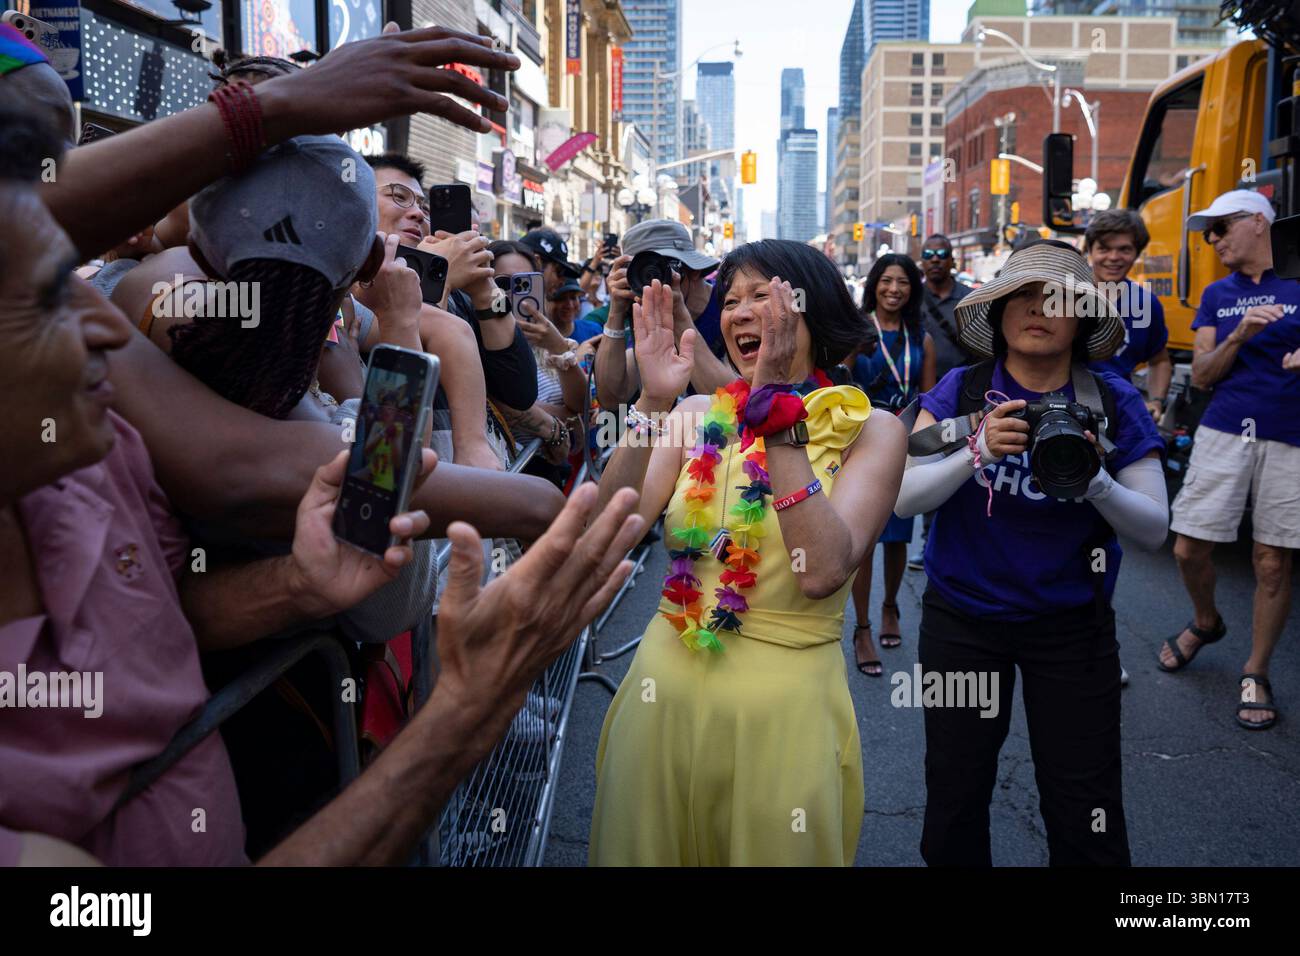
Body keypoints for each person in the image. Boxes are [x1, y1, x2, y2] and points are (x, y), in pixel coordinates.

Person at [0, 108, 648, 865]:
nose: (101, 331)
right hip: (289, 727)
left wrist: (295, 586)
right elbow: (383, 476)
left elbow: (156, 610)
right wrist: (410, 328)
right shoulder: (173, 299)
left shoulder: (275, 333)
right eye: (50, 293)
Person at [588, 239, 906, 866]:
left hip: (784, 717)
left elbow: (820, 573)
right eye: (730, 300)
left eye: (762, 295)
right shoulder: (696, 413)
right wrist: (651, 404)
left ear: (811, 313)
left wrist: (778, 414)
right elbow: (606, 525)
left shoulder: (871, 429)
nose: (738, 313)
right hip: (663, 696)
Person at [894, 240, 1168, 866]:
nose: (1036, 308)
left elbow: (1154, 530)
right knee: (956, 797)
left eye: (1056, 297)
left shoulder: (1112, 400)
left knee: (1085, 808)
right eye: (1018, 295)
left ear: (1083, 317)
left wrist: (1094, 479)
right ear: (995, 313)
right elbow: (905, 499)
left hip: (1073, 629)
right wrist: (979, 450)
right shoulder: (963, 394)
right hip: (963, 621)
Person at [1161, 189, 1300, 731]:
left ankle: (1257, 669)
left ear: (1259, 223)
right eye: (1208, 233)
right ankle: (1206, 621)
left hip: (1290, 435)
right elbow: (1200, 375)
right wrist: (1241, 334)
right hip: (1225, 432)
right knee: (1189, 546)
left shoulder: (1297, 285)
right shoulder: (1218, 295)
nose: (1213, 240)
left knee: (1272, 559)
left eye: (1221, 228)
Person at [848, 253, 935, 676]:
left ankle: (889, 607)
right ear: (874, 285)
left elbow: (929, 396)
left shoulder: (921, 337)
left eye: (902, 282)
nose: (894, 289)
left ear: (911, 289)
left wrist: (922, 443)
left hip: (902, 442)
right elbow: (837, 382)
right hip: (860, 441)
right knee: (862, 541)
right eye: (886, 281)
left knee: (898, 535)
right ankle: (862, 628)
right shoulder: (857, 329)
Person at [592, 218, 731, 413]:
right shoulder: (643, 313)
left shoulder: (728, 308)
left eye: (664, 268)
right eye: (645, 273)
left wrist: (679, 316)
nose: (654, 281)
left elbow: (728, 406)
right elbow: (612, 398)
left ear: (692, 271)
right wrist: (616, 311)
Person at [909, 233, 974, 570]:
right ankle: (928, 543)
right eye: (929, 254)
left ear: (952, 260)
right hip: (926, 400)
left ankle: (962, 543)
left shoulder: (969, 299)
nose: (935, 259)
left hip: (968, 398)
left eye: (942, 254)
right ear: (923, 260)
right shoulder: (911, 298)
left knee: (965, 469)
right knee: (930, 466)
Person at [1085, 209, 1172, 421]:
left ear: (1137, 253)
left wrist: (1156, 401)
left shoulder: (1146, 303)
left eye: (1124, 249)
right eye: (1104, 249)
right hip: (1064, 411)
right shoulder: (1065, 294)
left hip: (1120, 415)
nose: (1114, 258)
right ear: (1090, 250)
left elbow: (1159, 360)